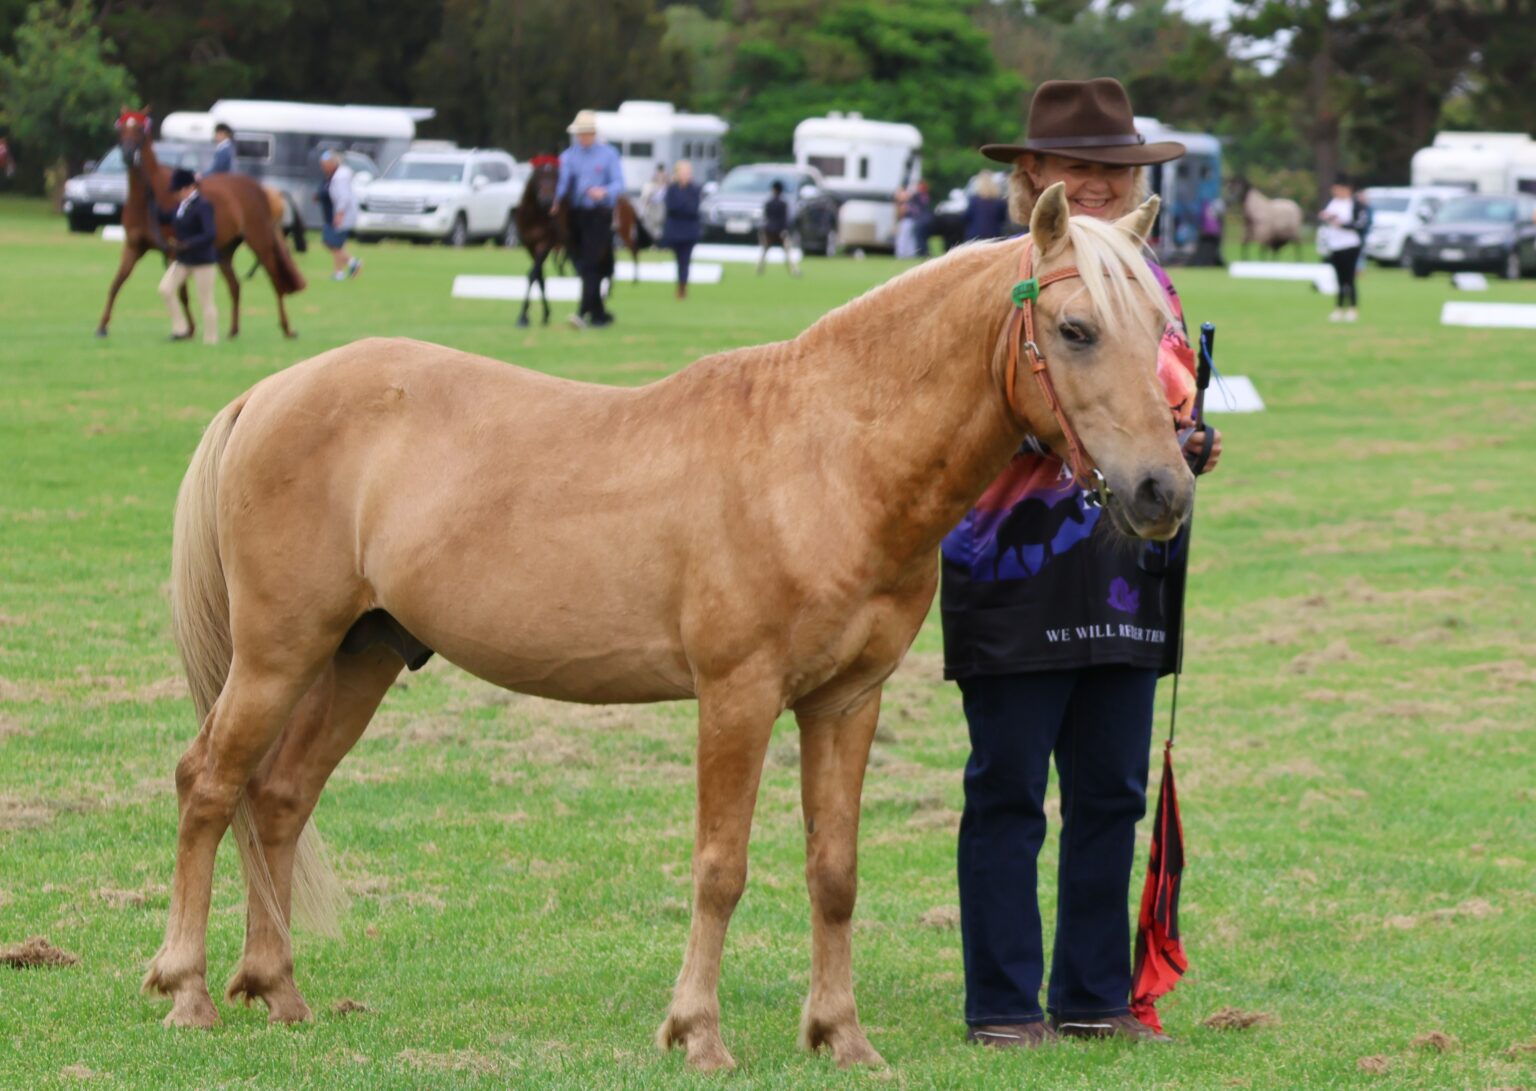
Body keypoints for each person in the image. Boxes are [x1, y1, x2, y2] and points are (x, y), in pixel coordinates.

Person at [944, 76, 1223, 1051]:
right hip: (1010, 561)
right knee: (1010, 787)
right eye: (1081, 167)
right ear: (1034, 176)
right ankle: (1006, 1004)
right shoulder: (988, 274)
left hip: (1124, 567)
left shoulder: (1152, 278)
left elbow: (1167, 402)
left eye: (1118, 169)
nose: (1102, 184)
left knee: (1109, 789)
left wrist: (1191, 439)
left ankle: (1097, 995)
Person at [553, 109, 624, 329]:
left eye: (586, 133)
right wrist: (556, 202)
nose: (582, 137)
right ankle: (599, 314)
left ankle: (582, 313)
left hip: (599, 215)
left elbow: (619, 184)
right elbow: (562, 185)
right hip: (577, 216)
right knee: (583, 267)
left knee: (590, 263)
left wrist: (603, 192)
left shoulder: (609, 155)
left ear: (593, 133)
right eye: (579, 133)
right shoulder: (567, 157)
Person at [156, 168, 219, 344]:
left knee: (205, 300)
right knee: (166, 289)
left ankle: (211, 338)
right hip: (184, 259)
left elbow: (210, 234)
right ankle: (180, 328)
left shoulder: (204, 206)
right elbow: (170, 218)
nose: (176, 195)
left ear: (189, 188)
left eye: (179, 191)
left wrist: (188, 243)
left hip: (202, 261)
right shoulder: (181, 206)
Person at [1319, 175, 1367, 322]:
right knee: (1339, 279)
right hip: (1336, 245)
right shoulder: (1333, 203)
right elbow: (1327, 220)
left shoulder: (1355, 205)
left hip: (1350, 245)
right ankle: (1339, 308)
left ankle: (1352, 308)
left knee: (1349, 278)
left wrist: (1342, 224)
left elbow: (1360, 225)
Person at [661, 159, 702, 300]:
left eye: (687, 172)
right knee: (678, 260)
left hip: (689, 231)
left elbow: (693, 209)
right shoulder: (671, 189)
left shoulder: (695, 189)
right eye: (682, 172)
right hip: (675, 231)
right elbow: (671, 208)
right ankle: (680, 285)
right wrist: (683, 206)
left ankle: (682, 287)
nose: (685, 175)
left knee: (685, 261)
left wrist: (682, 207)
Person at [319, 149, 361, 281]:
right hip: (336, 213)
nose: (323, 167)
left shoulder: (340, 176)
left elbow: (343, 197)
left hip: (342, 214)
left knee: (330, 242)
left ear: (332, 162)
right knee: (337, 245)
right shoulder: (334, 175)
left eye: (324, 164)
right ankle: (338, 273)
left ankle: (353, 262)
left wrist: (340, 214)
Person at [756, 180, 800, 276]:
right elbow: (784, 219)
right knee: (788, 252)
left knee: (764, 251)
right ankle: (794, 270)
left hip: (769, 230)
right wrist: (785, 230)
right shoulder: (783, 204)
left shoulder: (769, 203)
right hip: (780, 231)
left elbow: (766, 218)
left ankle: (759, 268)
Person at [964, 171, 1009, 241]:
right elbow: (1003, 219)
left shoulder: (974, 200)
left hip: (975, 236)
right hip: (994, 236)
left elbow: (967, 217)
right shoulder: (999, 201)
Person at [640, 162, 668, 245]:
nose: (660, 175)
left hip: (663, 212)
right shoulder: (649, 185)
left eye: (662, 173)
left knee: (661, 230)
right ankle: (652, 244)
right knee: (651, 230)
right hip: (651, 212)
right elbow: (644, 198)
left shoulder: (668, 186)